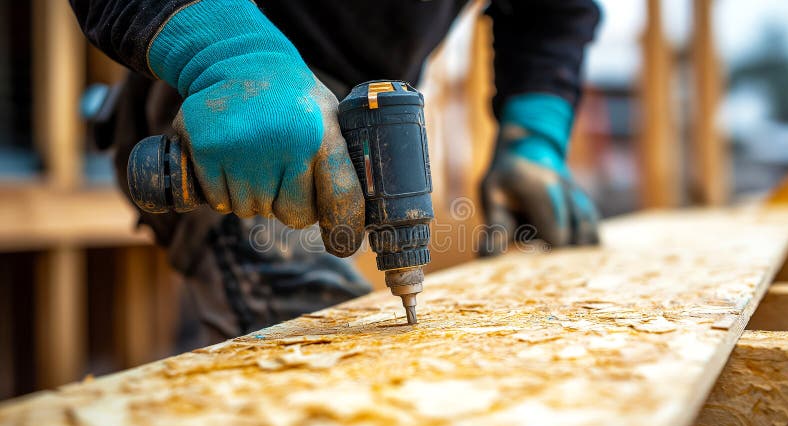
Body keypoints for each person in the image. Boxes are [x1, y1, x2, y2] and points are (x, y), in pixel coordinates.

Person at [69, 0, 601, 345]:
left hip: (358, 98)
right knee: (313, 345)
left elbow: (552, 12)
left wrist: (534, 134)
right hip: (228, 82)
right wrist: (228, 54)